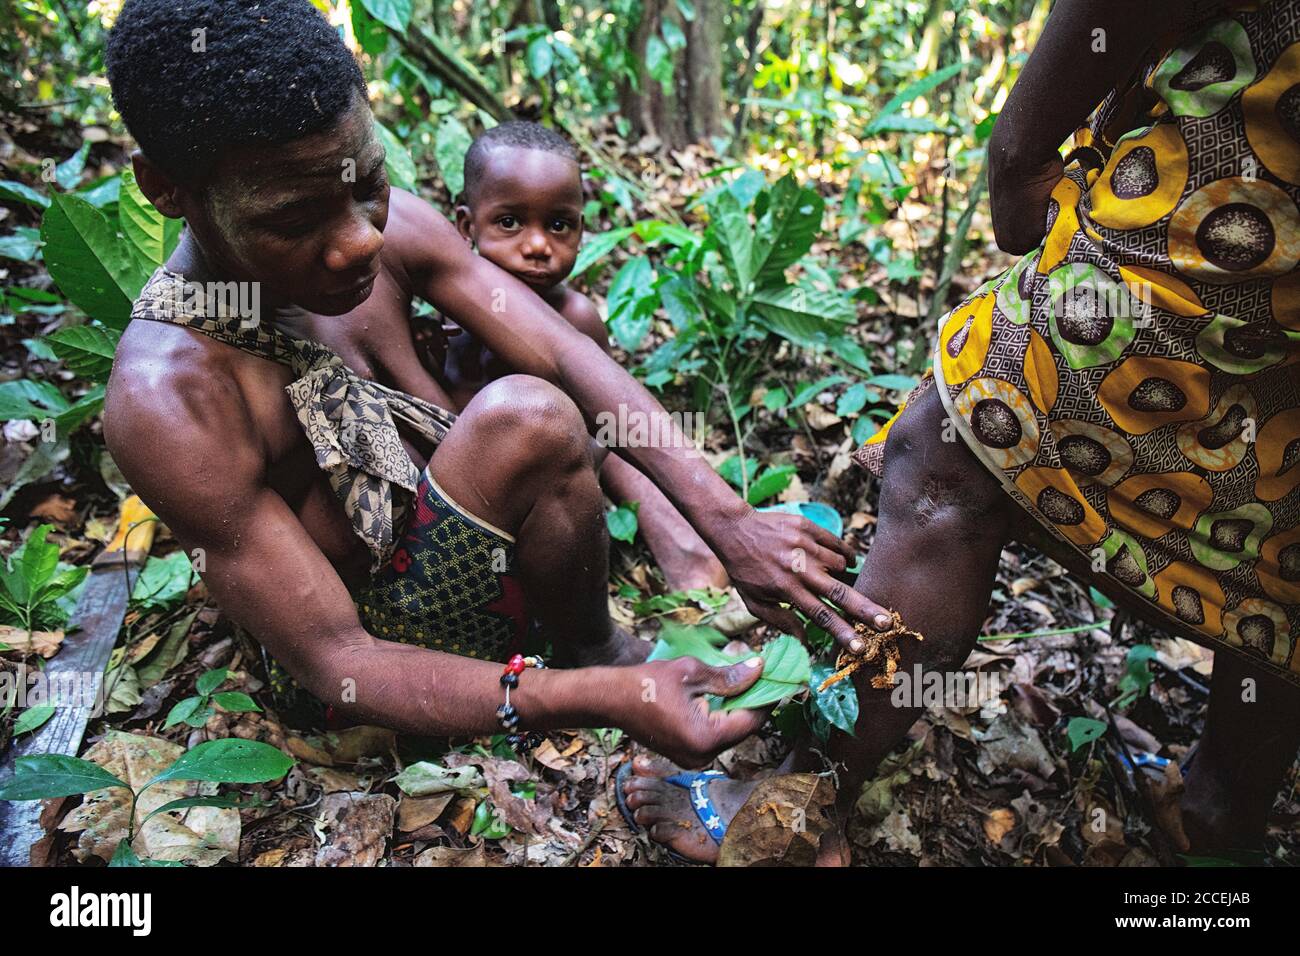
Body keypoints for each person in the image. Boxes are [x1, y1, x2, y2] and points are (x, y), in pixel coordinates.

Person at [99, 0, 891, 769]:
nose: (357, 240)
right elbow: (340, 657)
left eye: (366, 183)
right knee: (528, 416)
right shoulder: (169, 396)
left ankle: (594, 644)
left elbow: (560, 350)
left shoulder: (390, 225)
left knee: (535, 407)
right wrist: (585, 698)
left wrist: (725, 516)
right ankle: (594, 668)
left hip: (486, 554)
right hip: (370, 675)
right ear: (166, 189)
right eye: (292, 219)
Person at [623, 0, 1300, 862]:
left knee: (955, 448)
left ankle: (799, 796)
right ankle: (1217, 812)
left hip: (1230, 211)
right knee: (1278, 528)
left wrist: (1019, 156)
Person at [439, 120, 729, 595]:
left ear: (580, 229)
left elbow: (604, 431)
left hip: (552, 501)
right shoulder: (447, 309)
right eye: (509, 222)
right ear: (467, 225)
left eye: (558, 225)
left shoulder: (576, 319)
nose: (537, 246)